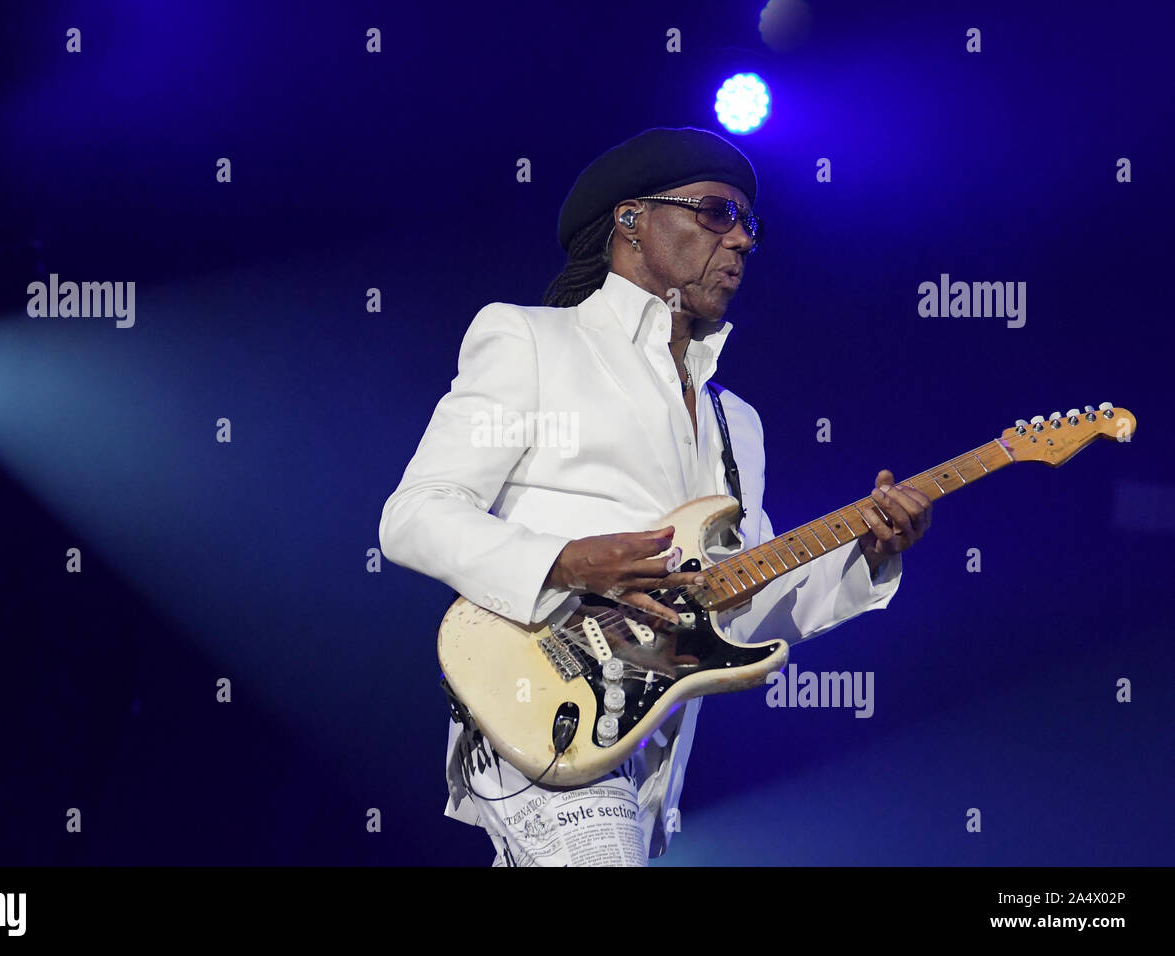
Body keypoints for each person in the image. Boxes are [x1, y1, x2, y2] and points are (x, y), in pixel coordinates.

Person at [378, 126, 933, 866]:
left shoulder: (739, 423)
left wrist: (866, 554)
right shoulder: (532, 341)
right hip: (536, 692)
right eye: (715, 214)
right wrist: (566, 563)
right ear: (631, 221)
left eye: (748, 225)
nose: (739, 241)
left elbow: (748, 601)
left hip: (648, 749)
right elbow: (413, 516)